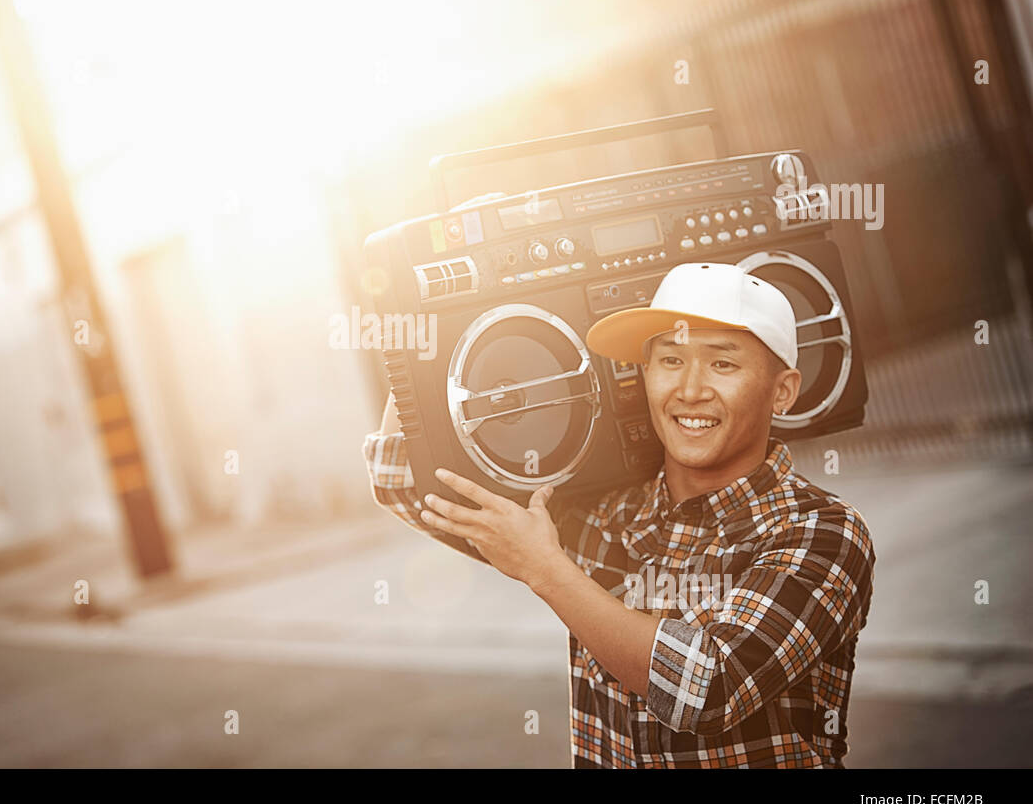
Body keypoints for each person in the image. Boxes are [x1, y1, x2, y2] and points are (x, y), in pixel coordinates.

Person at [361, 262, 875, 767]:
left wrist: (547, 570)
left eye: (722, 364)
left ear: (782, 391)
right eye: (670, 361)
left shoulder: (821, 532)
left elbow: (708, 690)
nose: (690, 389)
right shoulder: (607, 517)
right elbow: (403, 483)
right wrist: (436, 302)